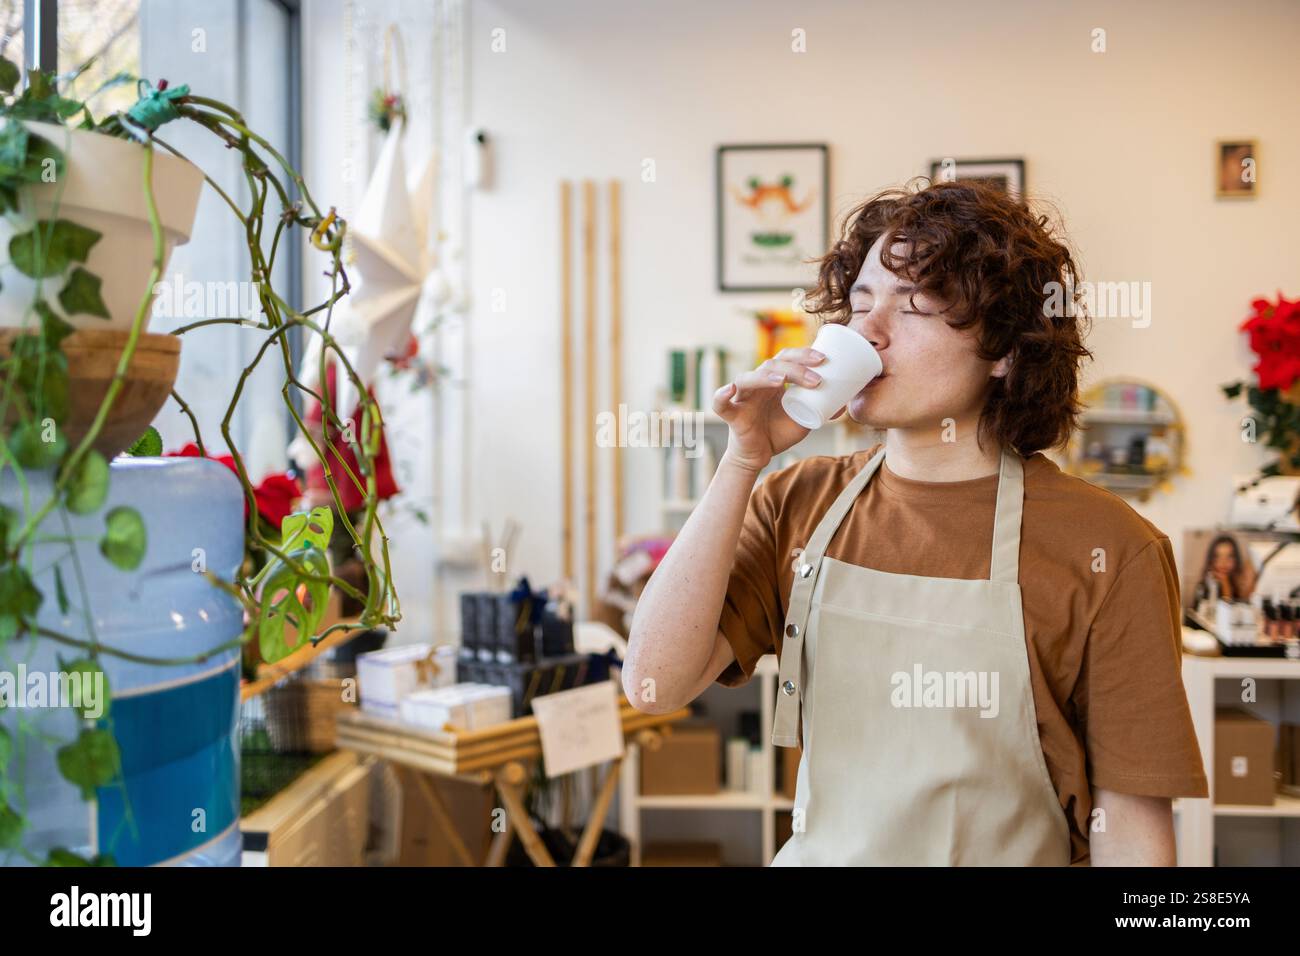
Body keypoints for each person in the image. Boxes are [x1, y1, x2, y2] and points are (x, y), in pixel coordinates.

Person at [623, 179, 1208, 866]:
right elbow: (654, 684)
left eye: (914, 305)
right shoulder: (796, 500)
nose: (866, 331)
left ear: (1006, 349)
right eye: (861, 302)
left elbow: (1133, 827)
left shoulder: (1111, 546)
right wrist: (741, 461)